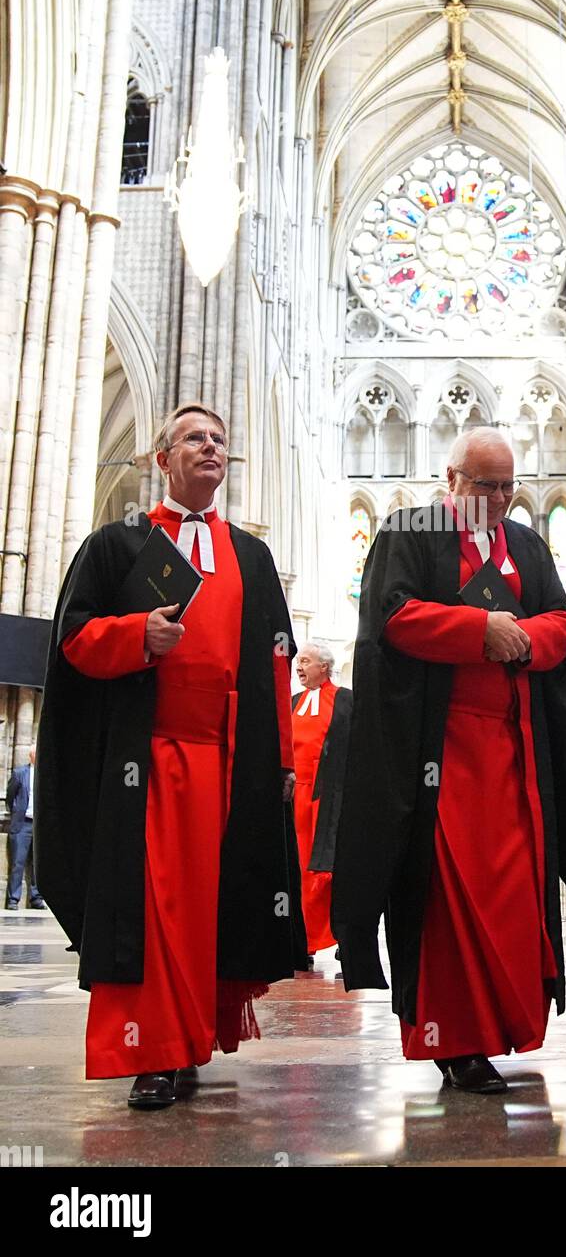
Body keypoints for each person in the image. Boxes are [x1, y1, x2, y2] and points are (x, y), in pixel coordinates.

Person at [332, 427, 566, 1094]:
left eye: (506, 487)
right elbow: (392, 618)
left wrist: (518, 637)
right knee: (448, 897)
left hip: (517, 753)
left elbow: (561, 622)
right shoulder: (407, 530)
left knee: (513, 893)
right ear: (451, 479)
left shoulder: (524, 543)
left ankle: (503, 1025)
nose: (497, 499)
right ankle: (453, 1040)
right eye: (484, 486)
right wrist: (477, 632)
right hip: (438, 757)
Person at [35, 403, 307, 1109]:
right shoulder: (116, 545)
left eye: (219, 438)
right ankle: (151, 1053)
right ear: (162, 459)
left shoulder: (251, 555)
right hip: (148, 761)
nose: (211, 446)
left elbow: (277, 661)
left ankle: (191, 1039)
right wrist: (135, 636)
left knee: (212, 907)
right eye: (194, 437)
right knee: (155, 905)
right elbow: (72, 639)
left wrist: (279, 758)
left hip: (232, 763)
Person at [291, 640, 353, 965]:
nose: (299, 667)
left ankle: (344, 938)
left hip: (330, 799)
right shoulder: (293, 702)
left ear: (324, 667)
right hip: (296, 800)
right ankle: (305, 941)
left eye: (306, 661)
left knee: (333, 868)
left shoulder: (344, 700)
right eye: (298, 662)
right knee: (299, 868)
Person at [5, 744, 46, 910]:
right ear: (31, 756)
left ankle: (36, 898)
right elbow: (10, 796)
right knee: (17, 863)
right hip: (23, 824)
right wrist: (16, 811)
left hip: (40, 825)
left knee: (39, 865)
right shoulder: (20, 773)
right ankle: (13, 899)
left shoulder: (47, 775)